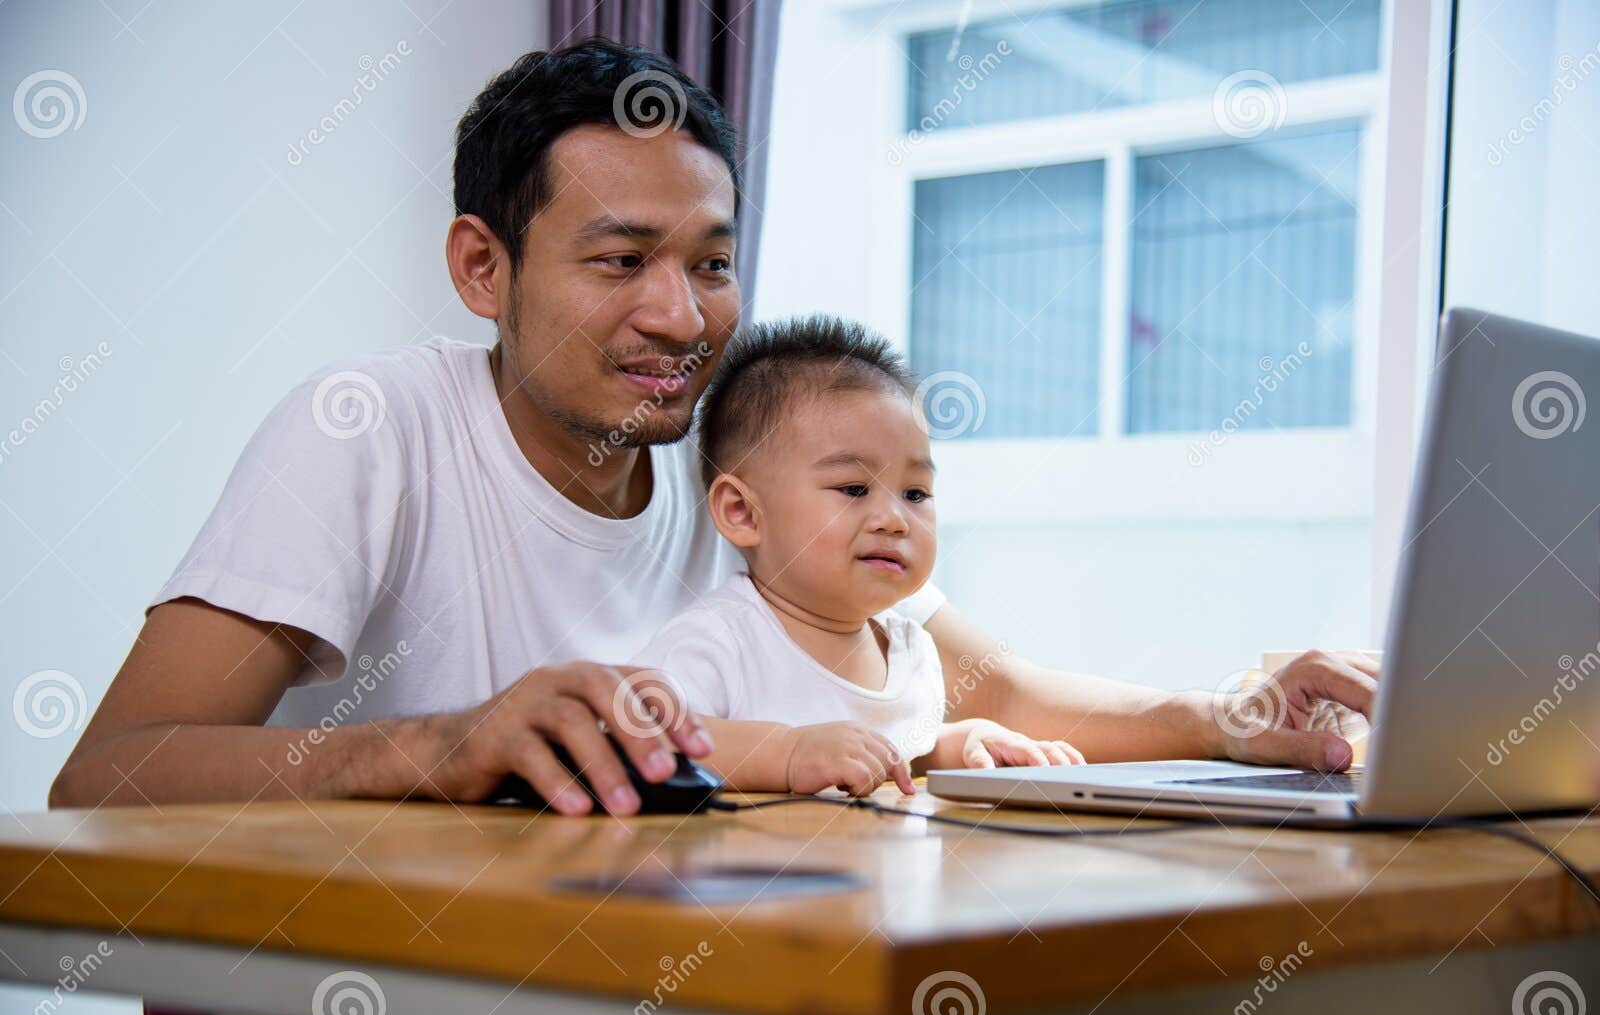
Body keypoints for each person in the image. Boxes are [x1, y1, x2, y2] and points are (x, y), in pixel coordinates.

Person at [50, 38, 1378, 818]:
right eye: (620, 261)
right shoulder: (370, 430)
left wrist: (1232, 716)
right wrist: (440, 745)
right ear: (481, 268)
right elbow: (107, 775)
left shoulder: (738, 455)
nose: (682, 318)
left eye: (713, 264)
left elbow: (991, 685)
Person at [633, 315, 1083, 797]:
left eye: (915, 494)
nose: (894, 520)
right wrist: (786, 753)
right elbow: (643, 743)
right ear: (742, 511)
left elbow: (902, 753)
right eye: (853, 488)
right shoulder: (717, 640)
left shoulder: (909, 651)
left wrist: (966, 740)